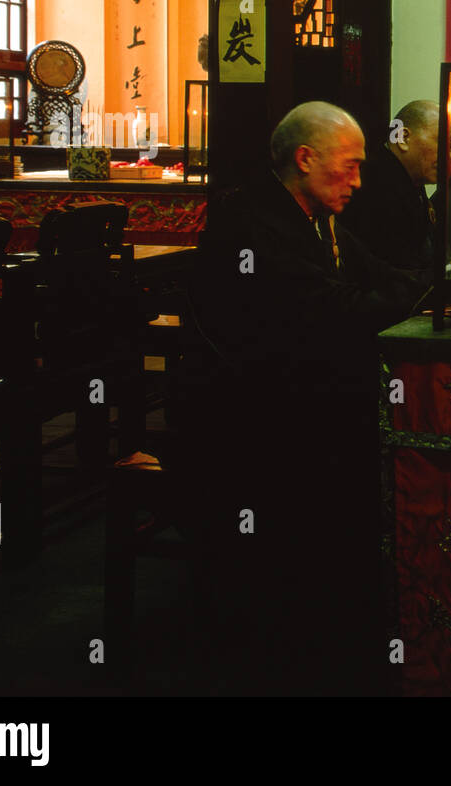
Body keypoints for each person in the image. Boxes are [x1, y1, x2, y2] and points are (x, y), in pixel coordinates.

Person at [178, 101, 424, 696]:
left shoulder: (318, 213)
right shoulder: (254, 222)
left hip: (302, 391)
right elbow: (326, 311)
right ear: (305, 158)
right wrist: (419, 302)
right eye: (350, 167)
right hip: (253, 418)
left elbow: (379, 277)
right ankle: (312, 638)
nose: (359, 182)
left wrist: (433, 293)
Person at [339, 99, 439, 277]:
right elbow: (388, 270)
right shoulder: (372, 186)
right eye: (440, 141)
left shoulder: (412, 179)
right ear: (402, 138)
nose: (448, 154)